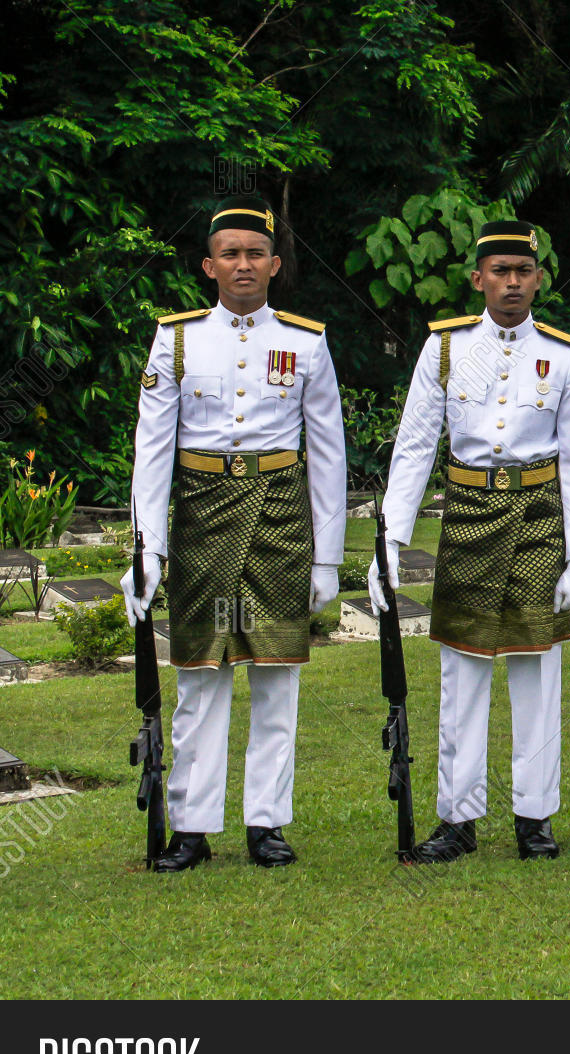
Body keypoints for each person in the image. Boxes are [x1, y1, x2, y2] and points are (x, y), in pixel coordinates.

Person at [120, 196, 347, 871]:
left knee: (276, 674)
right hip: (203, 511)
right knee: (200, 671)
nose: (243, 264)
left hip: (279, 511)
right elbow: (153, 446)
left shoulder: (306, 341)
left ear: (275, 265)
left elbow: (329, 451)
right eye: (230, 254)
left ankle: (266, 823)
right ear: (208, 266)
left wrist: (327, 558)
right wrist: (148, 548)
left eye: (255, 254)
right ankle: (191, 824)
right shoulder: (177, 339)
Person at [372, 219, 570, 861]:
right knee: (462, 669)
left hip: (537, 516)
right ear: (478, 279)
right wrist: (390, 539)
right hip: (468, 511)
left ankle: (535, 817)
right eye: (500, 272)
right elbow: (414, 447)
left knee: (537, 668)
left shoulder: (568, 356)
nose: (512, 283)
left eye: (523, 272)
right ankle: (458, 817)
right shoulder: (443, 349)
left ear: (538, 279)